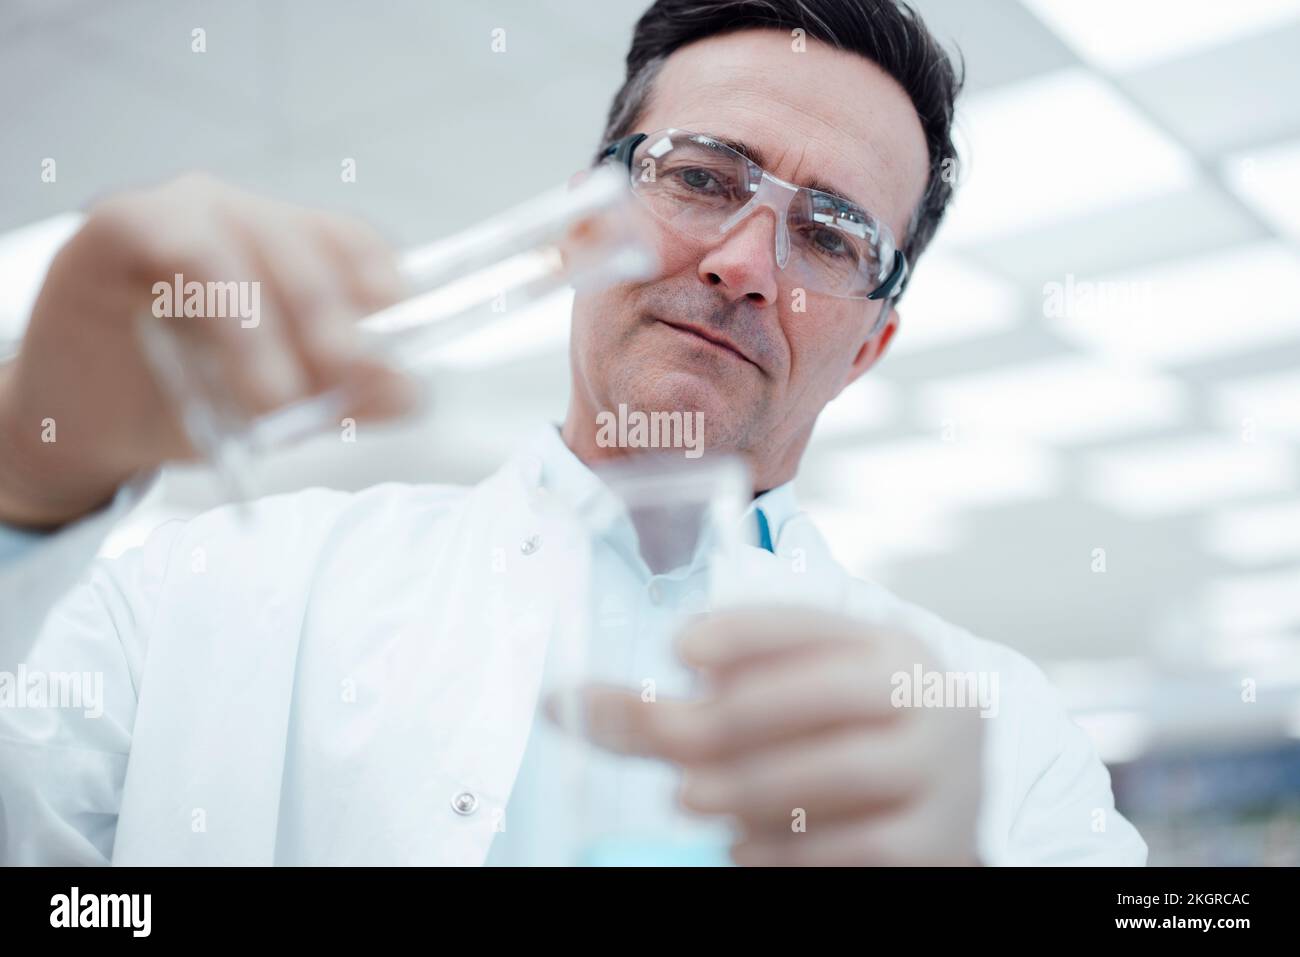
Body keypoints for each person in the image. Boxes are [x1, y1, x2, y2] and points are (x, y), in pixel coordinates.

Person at [0, 0, 1146, 866]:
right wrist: (25, 480)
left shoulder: (1006, 738)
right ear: (581, 221)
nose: (743, 264)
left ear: (870, 349)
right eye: (700, 177)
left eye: (835, 237)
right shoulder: (211, 586)